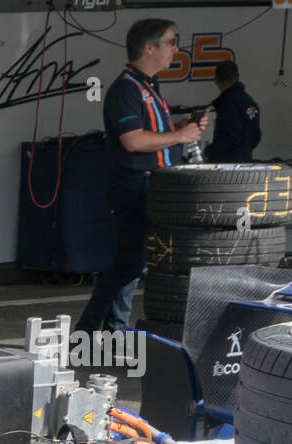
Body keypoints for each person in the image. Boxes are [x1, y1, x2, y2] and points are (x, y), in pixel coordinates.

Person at [74, 19, 207, 336]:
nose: (176, 49)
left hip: (157, 184)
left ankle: (109, 329)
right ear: (150, 47)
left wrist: (178, 130)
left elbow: (152, 139)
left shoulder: (150, 87)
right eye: (172, 42)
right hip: (136, 185)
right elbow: (132, 141)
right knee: (129, 263)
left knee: (133, 264)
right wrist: (179, 136)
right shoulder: (125, 89)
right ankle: (89, 331)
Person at [205, 61, 261, 163]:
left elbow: (231, 138)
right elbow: (256, 135)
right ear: (238, 77)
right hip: (245, 162)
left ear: (216, 80)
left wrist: (208, 151)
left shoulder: (226, 104)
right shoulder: (250, 103)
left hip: (226, 166)